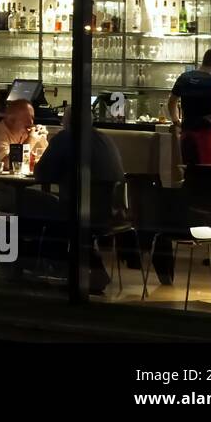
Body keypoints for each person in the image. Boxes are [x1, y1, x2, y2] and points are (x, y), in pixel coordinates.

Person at [28, 109, 126, 294]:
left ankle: (46, 266)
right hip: (110, 212)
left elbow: (41, 174)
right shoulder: (105, 139)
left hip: (80, 209)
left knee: (35, 206)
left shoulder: (66, 138)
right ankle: (87, 270)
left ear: (66, 122)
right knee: (59, 212)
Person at [167, 49, 211, 166]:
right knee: (207, 170)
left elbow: (171, 102)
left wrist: (175, 120)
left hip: (187, 131)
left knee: (188, 168)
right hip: (205, 133)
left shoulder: (184, 78)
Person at [0, 98, 49, 169]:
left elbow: (48, 160)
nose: (31, 122)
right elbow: (9, 164)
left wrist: (42, 139)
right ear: (11, 120)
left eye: (32, 117)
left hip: (18, 180)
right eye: (26, 118)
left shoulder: (26, 133)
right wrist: (31, 140)